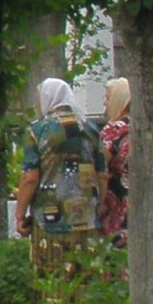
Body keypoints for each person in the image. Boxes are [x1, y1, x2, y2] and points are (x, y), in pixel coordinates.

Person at [14, 75, 107, 281]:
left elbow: (30, 178)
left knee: (52, 276)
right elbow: (102, 173)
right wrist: (100, 204)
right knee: (84, 277)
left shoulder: (37, 130)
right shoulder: (91, 129)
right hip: (85, 216)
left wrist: (20, 214)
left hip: (50, 217)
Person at [97, 75, 132, 240]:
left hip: (114, 200)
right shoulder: (137, 126)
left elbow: (100, 163)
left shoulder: (113, 130)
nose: (105, 103)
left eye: (107, 97)